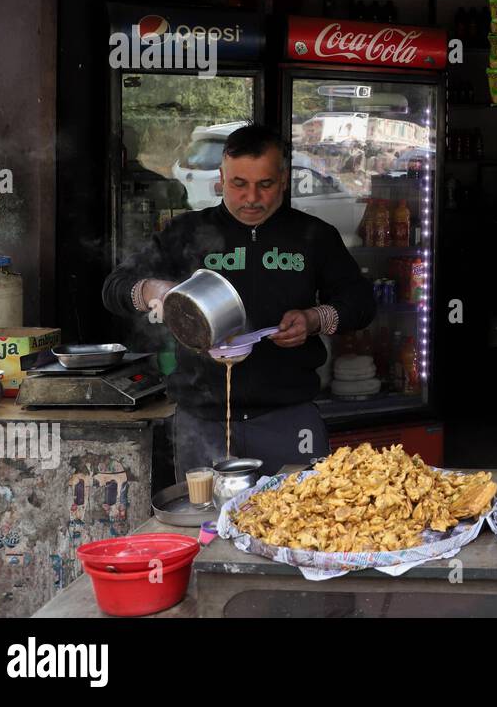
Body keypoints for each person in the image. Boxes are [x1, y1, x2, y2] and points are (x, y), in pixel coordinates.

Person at [103, 124, 374, 477]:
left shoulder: (314, 235)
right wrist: (153, 291)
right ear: (221, 177)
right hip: (201, 420)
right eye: (239, 184)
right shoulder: (185, 232)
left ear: (284, 179)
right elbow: (114, 288)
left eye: (265, 185)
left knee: (296, 525)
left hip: (288, 417)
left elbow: (361, 302)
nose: (251, 199)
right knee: (206, 523)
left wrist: (315, 319)